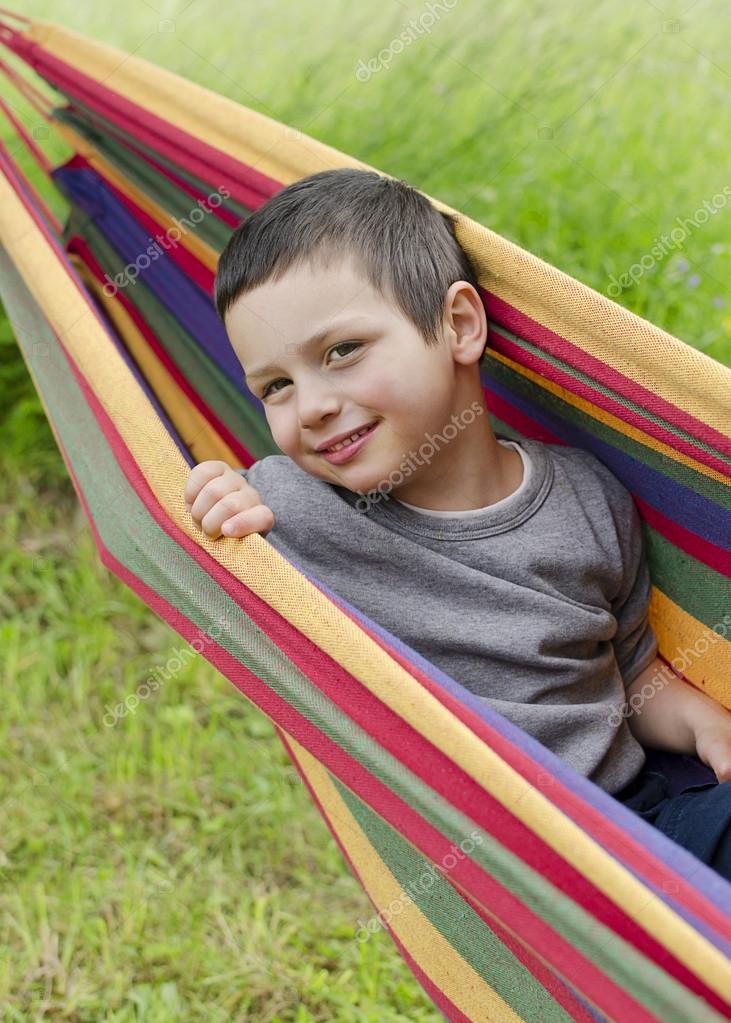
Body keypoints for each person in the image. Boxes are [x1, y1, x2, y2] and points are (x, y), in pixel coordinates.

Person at [183, 168, 731, 877]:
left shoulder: (589, 498)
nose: (311, 405)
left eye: (341, 351)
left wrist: (703, 725)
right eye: (276, 386)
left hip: (636, 828)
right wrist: (214, 497)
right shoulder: (286, 512)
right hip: (490, 872)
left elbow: (626, 674)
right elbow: (216, 556)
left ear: (459, 325)